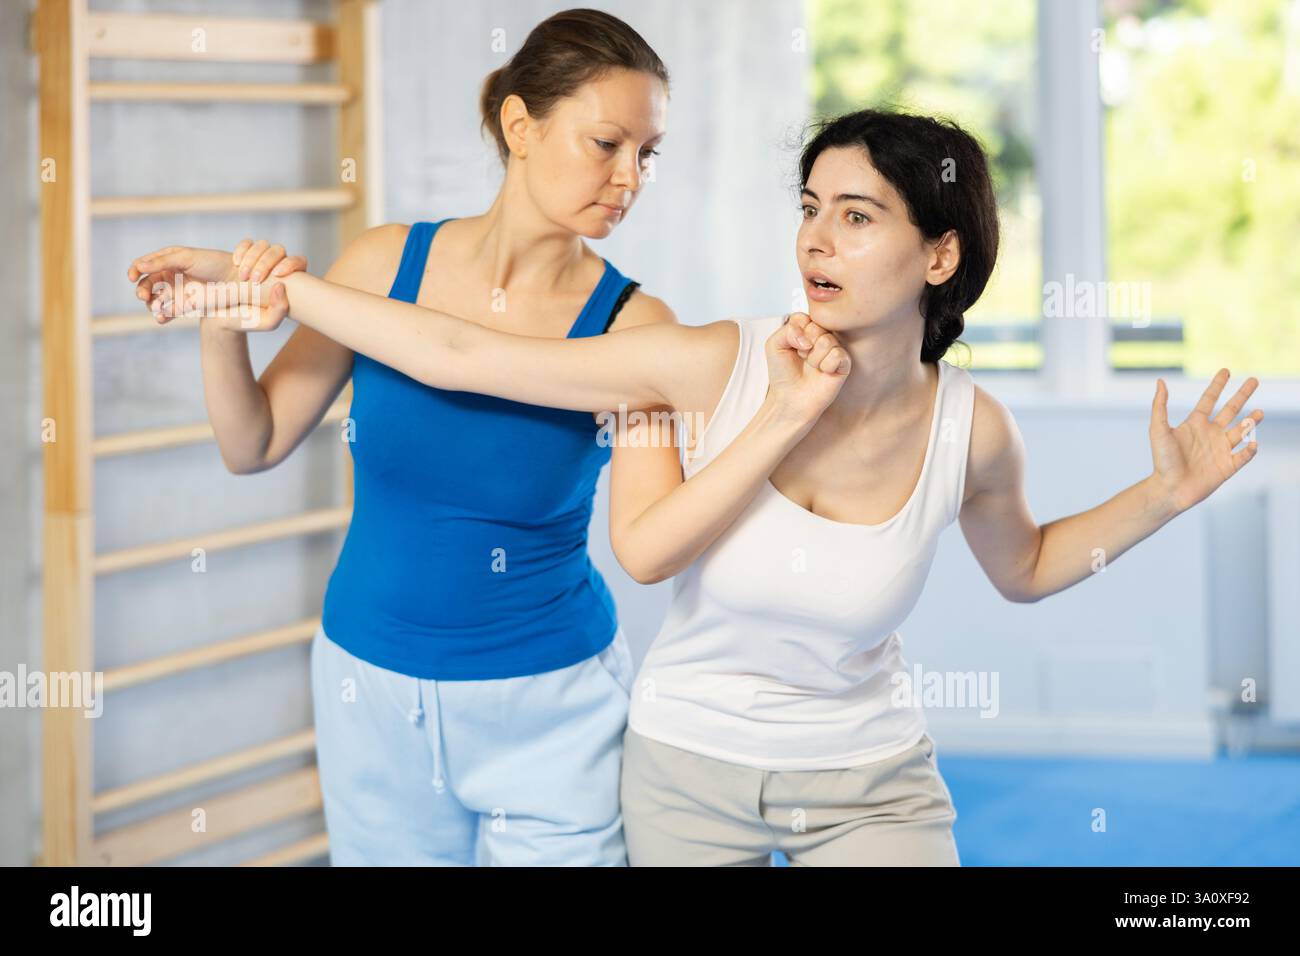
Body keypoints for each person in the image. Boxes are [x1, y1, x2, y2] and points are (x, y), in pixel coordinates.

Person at [130, 108, 1264, 865]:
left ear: (937, 257)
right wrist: (272, 286)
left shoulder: (973, 430)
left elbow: (1022, 566)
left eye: (856, 217)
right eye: (810, 208)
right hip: (687, 770)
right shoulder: (708, 360)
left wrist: (1159, 496)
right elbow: (463, 357)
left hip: (870, 780)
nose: (817, 239)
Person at [128, 8, 677, 866]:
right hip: (366, 687)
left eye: (648, 154)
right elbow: (254, 442)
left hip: (551, 705)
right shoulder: (385, 263)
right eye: (607, 143)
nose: (630, 177)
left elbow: (460, 360)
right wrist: (223, 318)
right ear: (520, 125)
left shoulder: (636, 324)